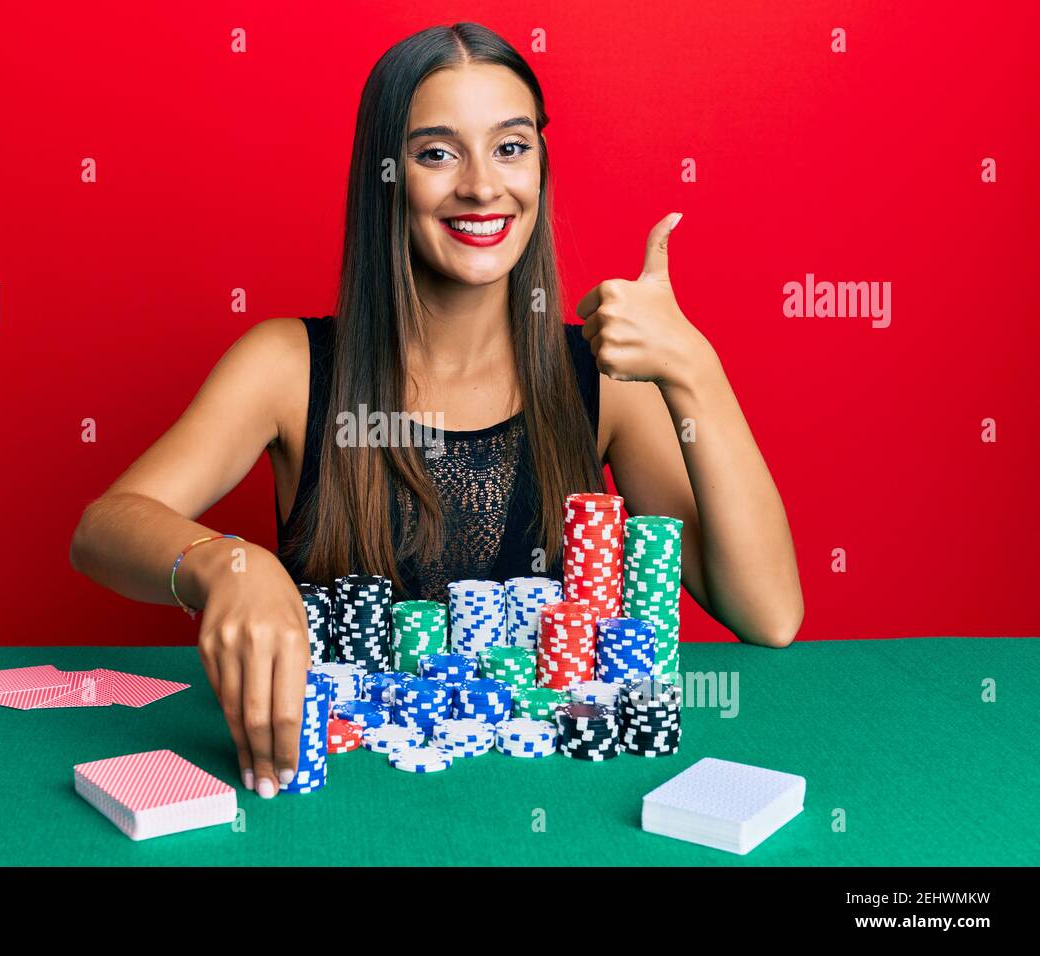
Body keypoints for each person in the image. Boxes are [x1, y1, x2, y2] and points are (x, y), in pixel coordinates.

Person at [69, 22, 803, 800]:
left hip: (549, 798)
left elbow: (769, 613)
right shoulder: (287, 365)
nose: (483, 186)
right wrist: (222, 564)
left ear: (542, 169)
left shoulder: (602, 376)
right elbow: (103, 527)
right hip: (340, 805)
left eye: (511, 147)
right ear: (387, 175)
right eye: (437, 153)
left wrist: (694, 369)